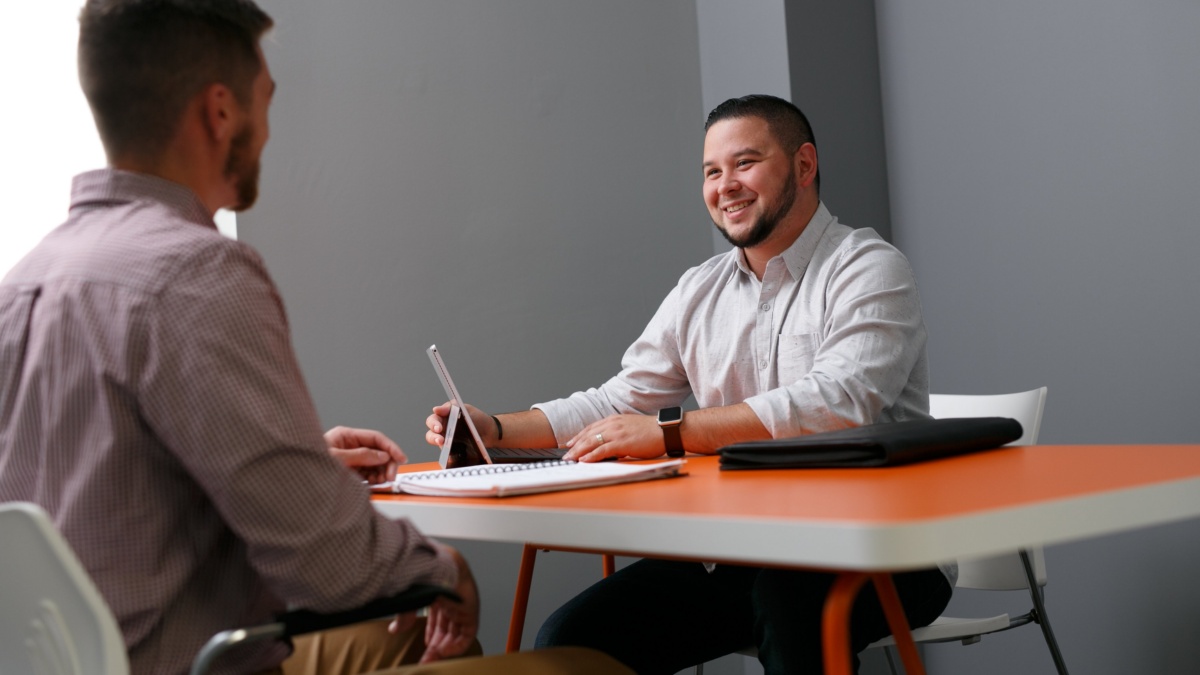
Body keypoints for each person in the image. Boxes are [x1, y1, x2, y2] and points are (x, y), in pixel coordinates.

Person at [0, 2, 632, 675]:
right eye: (264, 100)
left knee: (407, 637)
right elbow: (328, 565)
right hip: (197, 661)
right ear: (220, 112)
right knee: (592, 664)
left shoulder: (25, 281)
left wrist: (297, 464)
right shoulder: (194, 271)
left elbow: (105, 496)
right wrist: (445, 567)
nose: (269, 129)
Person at [424, 95, 954, 674]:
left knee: (788, 609)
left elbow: (839, 402)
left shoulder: (869, 267)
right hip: (740, 551)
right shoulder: (698, 290)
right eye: (711, 171)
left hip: (882, 548)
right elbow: (618, 402)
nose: (725, 185)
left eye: (745, 163)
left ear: (804, 166)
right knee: (572, 639)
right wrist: (494, 428)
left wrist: (670, 433)